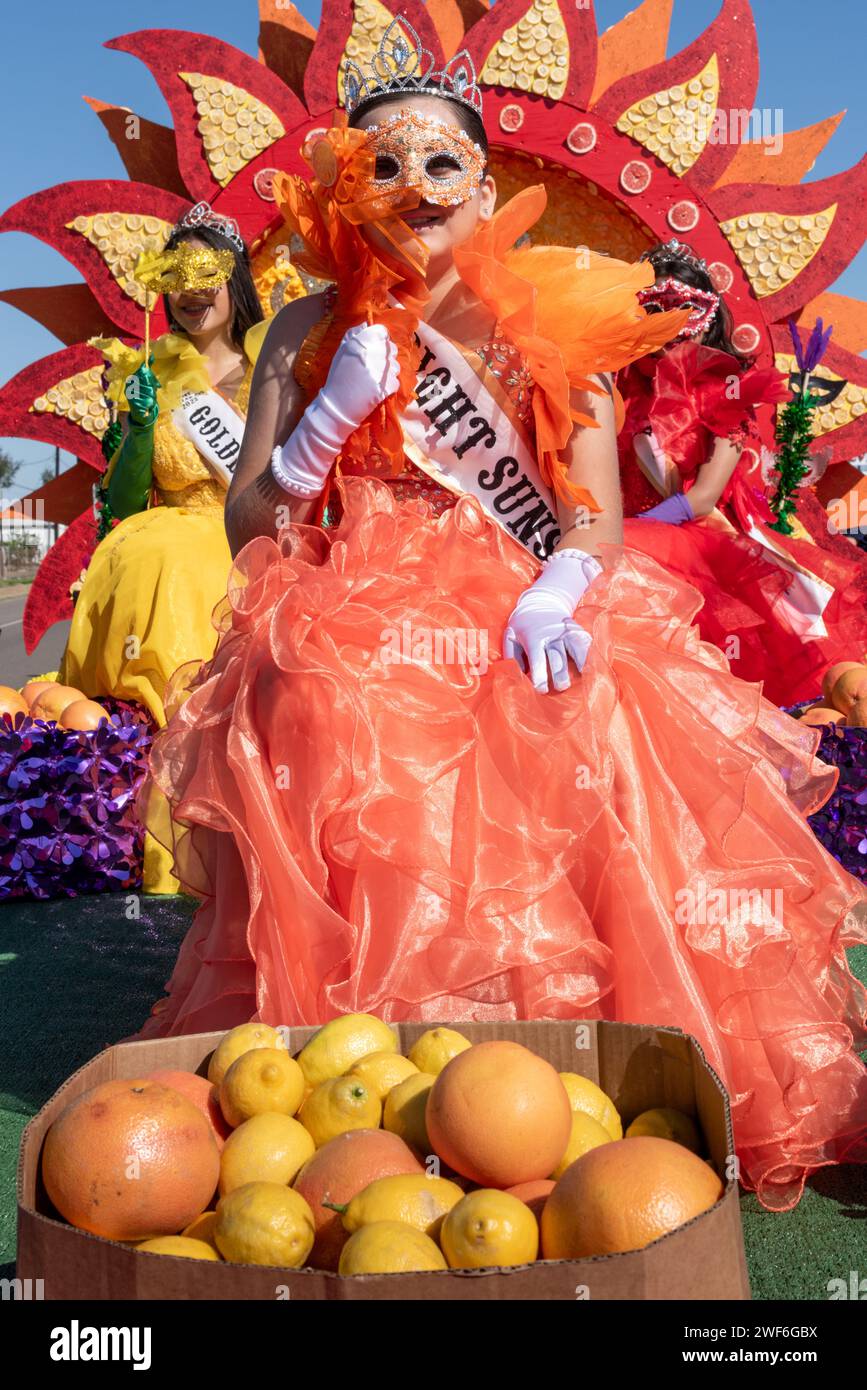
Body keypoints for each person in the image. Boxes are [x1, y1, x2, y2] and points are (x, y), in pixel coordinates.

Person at [135, 28, 866, 1210]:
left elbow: (596, 519)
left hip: (523, 592)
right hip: (345, 597)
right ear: (345, 183)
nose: (416, 191)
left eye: (444, 167)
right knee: (317, 700)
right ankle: (357, 1089)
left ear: (485, 184)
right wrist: (330, 413)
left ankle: (594, 1077)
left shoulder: (555, 316)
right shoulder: (298, 328)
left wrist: (562, 590)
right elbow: (250, 526)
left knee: (597, 713)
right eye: (386, 164)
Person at [59, 207, 266, 890]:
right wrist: (142, 426)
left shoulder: (275, 363)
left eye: (207, 270)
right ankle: (153, 831)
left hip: (251, 541)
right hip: (163, 540)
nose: (191, 288)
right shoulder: (147, 371)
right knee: (163, 565)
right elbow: (119, 504)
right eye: (175, 275)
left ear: (235, 279)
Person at [618, 240, 867, 705]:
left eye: (686, 312)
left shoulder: (728, 398)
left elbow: (702, 499)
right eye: (658, 310)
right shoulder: (620, 387)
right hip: (627, 544)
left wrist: (628, 530)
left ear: (708, 319)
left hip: (696, 547)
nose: (673, 329)